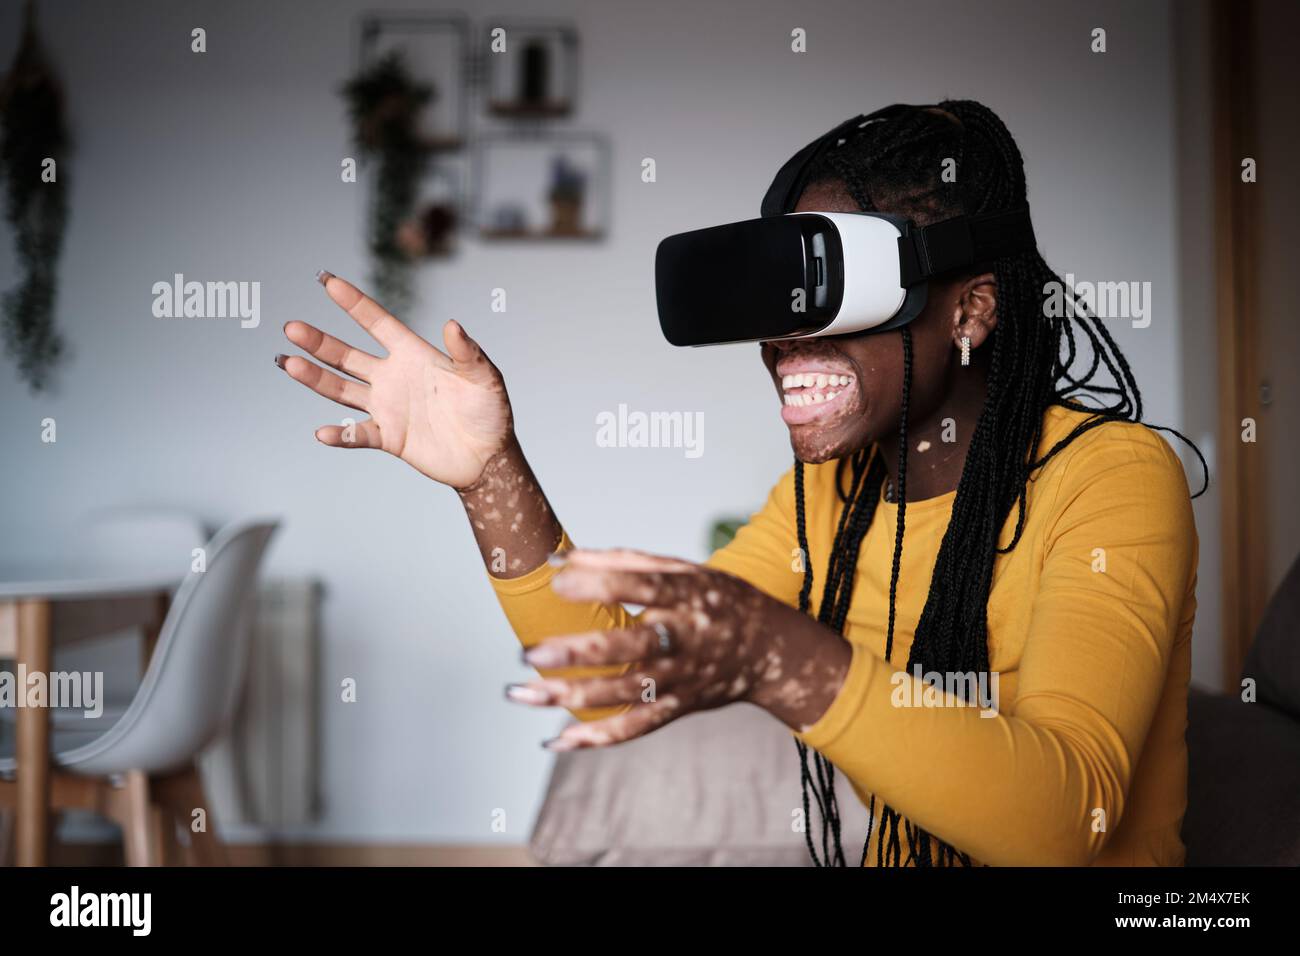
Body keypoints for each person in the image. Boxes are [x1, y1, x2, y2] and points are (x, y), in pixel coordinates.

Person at [276, 100, 1199, 867]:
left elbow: (1064, 818)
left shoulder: (1110, 478)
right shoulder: (833, 499)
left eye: (828, 295)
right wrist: (491, 478)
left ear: (973, 305)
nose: (785, 345)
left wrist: (778, 655)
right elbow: (619, 676)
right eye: (775, 306)